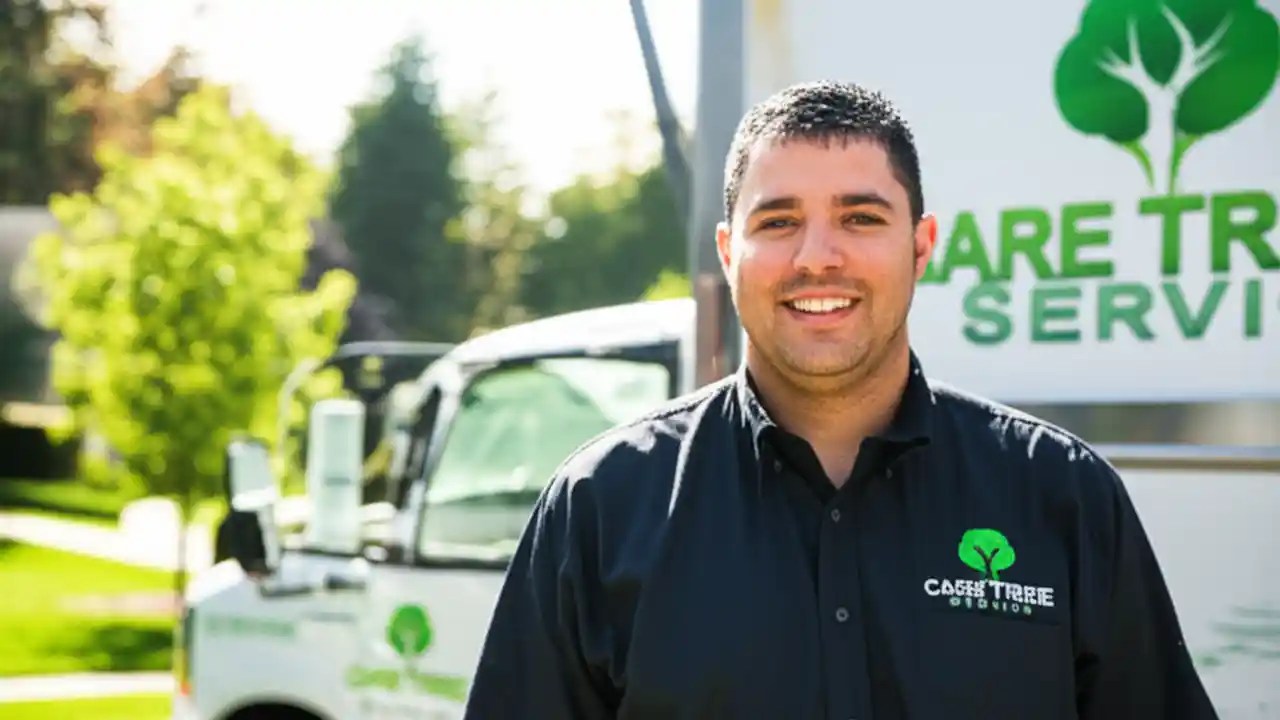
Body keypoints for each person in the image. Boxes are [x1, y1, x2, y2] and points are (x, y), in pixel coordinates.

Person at [462, 80, 1217, 719]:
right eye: (779, 221)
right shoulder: (602, 507)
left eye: (861, 218)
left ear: (921, 246)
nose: (818, 256)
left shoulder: (1064, 495)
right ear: (729, 254)